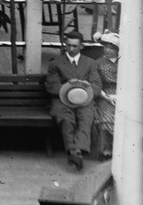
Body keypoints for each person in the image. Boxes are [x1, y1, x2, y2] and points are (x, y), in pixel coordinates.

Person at [45, 29, 105, 170]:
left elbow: (96, 86)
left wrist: (85, 88)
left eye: (75, 46)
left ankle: (78, 150)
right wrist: (69, 87)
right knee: (67, 119)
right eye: (68, 45)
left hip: (85, 100)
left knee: (86, 118)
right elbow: (52, 86)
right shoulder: (56, 63)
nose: (71, 49)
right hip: (61, 100)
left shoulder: (90, 63)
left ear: (81, 46)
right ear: (65, 45)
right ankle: (73, 150)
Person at [95, 32, 119, 158]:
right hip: (105, 95)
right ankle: (106, 150)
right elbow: (96, 83)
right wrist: (106, 97)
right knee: (106, 115)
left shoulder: (126, 62)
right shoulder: (98, 63)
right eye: (106, 47)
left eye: (112, 48)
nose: (108, 50)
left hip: (124, 95)